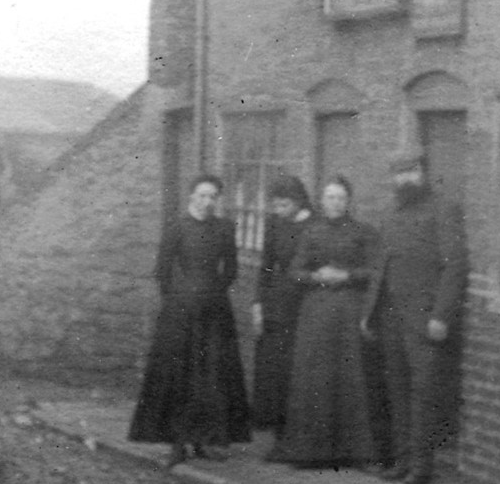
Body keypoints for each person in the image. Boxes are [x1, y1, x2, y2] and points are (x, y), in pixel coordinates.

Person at [361, 148, 468, 484]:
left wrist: (442, 315)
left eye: (411, 171)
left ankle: (422, 466)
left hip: (424, 319)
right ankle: (402, 459)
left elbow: (455, 266)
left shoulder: (443, 209)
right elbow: (381, 266)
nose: (405, 178)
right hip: (391, 315)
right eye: (399, 172)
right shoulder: (390, 212)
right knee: (397, 389)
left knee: (423, 391)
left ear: (423, 172)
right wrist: (369, 312)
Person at [128, 173, 250, 466]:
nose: (207, 202)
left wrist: (212, 292)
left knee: (210, 377)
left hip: (214, 313)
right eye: (202, 196)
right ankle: (177, 443)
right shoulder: (177, 228)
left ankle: (203, 440)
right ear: (192, 197)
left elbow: (231, 269)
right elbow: (162, 271)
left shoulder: (224, 229)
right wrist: (179, 298)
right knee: (179, 376)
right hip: (180, 313)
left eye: (213, 197)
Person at [275, 175, 377, 468]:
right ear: (322, 200)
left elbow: (374, 271)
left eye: (341, 198)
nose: (335, 203)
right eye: (330, 197)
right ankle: (311, 451)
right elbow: (295, 270)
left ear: (348, 202)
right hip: (316, 311)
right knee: (315, 377)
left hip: (347, 310)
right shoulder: (312, 232)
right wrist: (316, 276)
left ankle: (354, 452)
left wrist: (347, 276)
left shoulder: (363, 232)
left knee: (349, 377)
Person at [251, 175, 312, 452]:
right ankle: (277, 431)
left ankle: (297, 434)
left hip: (305, 302)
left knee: (297, 369)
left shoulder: (314, 225)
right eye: (275, 205)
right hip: (277, 303)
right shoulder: (275, 223)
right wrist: (257, 304)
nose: (279, 210)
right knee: (274, 369)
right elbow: (265, 266)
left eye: (284, 204)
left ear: (298, 202)